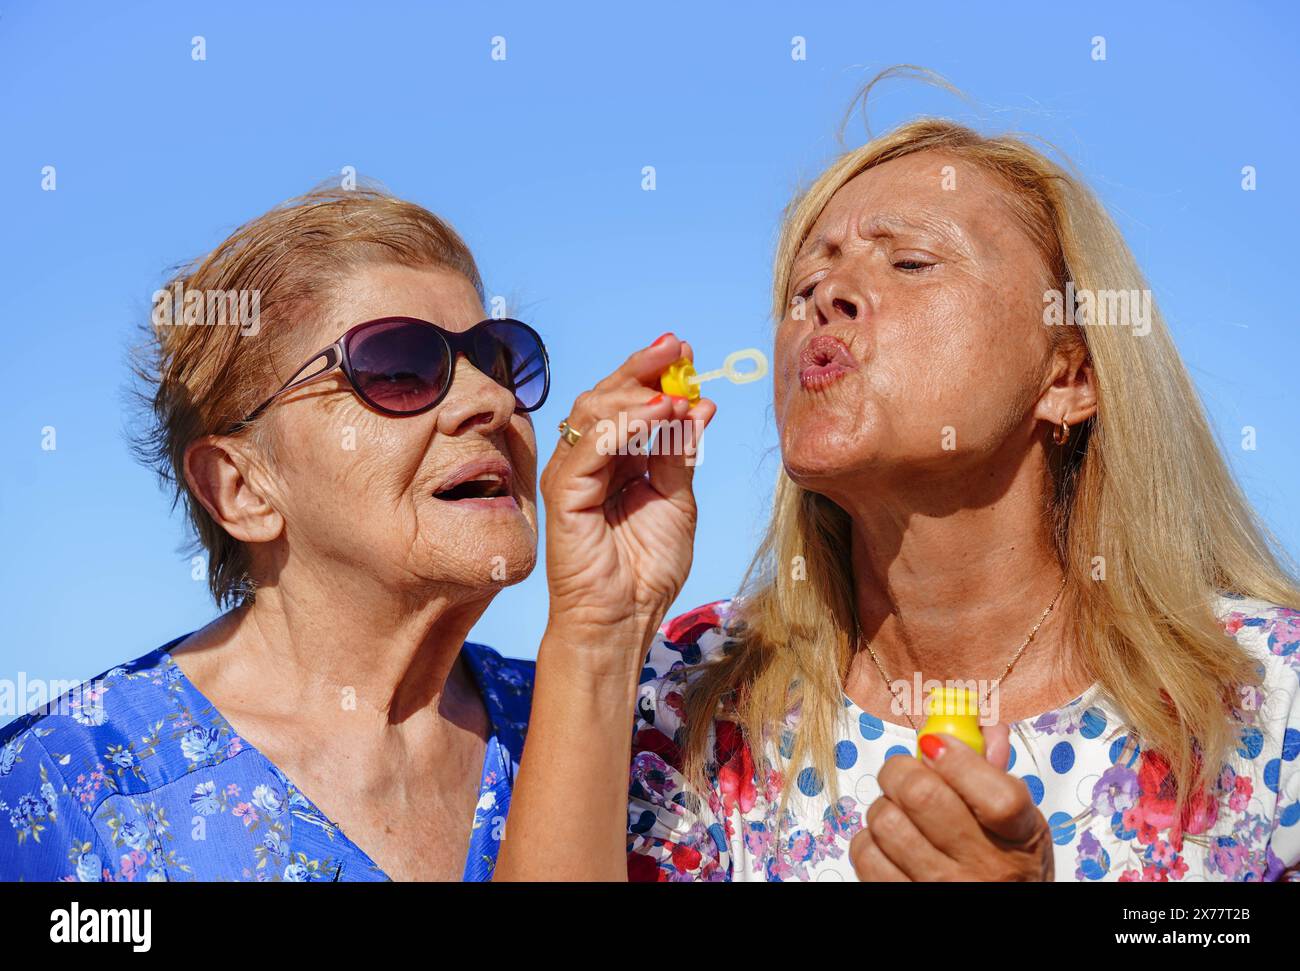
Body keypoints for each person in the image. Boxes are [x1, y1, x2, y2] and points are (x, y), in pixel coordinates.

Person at [497, 108, 1300, 882]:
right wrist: (598, 629)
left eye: (910, 262)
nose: (826, 298)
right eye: (806, 281)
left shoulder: (1269, 700)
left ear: (1070, 376)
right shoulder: (698, 691)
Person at [0, 186, 547, 881]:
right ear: (243, 488)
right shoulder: (66, 791)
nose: (493, 400)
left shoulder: (601, 730)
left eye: (498, 359)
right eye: (401, 369)